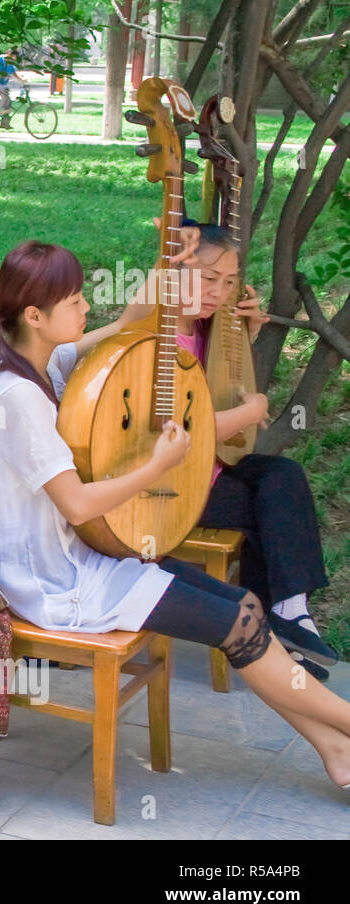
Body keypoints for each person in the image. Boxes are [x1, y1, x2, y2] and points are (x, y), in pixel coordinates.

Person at [0, 240, 350, 790]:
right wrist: (156, 465)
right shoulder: (18, 398)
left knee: (245, 605)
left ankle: (335, 748)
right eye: (74, 301)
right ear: (34, 316)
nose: (86, 307)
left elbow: (129, 323)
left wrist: (169, 261)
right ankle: (345, 729)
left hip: (86, 560)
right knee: (239, 624)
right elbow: (77, 503)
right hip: (56, 585)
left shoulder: (42, 364)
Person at [167, 221, 338, 678]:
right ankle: (276, 635)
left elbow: (226, 382)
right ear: (171, 272)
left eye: (228, 282)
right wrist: (251, 412)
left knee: (282, 476)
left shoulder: (204, 326)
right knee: (269, 510)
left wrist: (245, 332)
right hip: (169, 487)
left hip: (209, 469)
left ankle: (289, 611)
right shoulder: (160, 344)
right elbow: (184, 433)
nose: (219, 293)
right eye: (208, 279)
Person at [0, 50, 26, 129]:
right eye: (15, 57)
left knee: (7, 101)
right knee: (5, 98)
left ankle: (4, 123)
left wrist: (21, 78)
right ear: (11, 55)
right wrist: (22, 80)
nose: (14, 59)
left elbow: (12, 72)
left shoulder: (3, 59)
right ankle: (1, 111)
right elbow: (13, 73)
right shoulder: (6, 60)